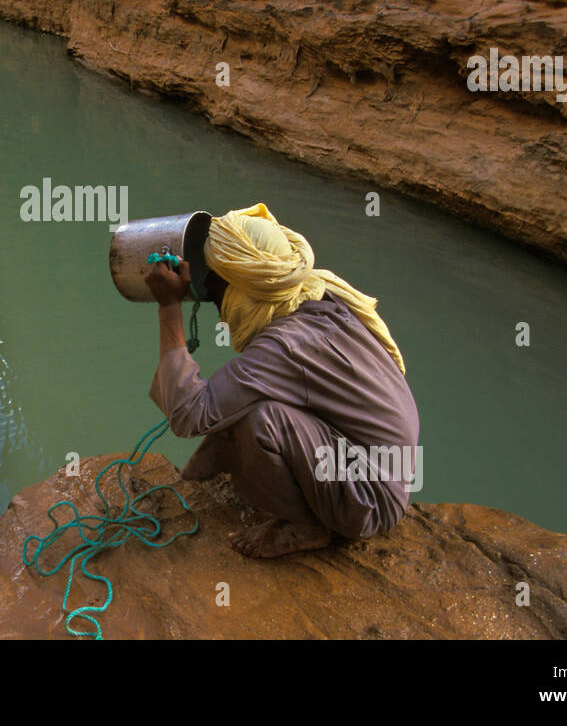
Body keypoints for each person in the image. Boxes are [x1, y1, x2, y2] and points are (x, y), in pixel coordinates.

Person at [144, 202, 420, 558]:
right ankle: (291, 490)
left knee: (260, 417)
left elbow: (188, 414)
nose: (211, 297)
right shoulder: (319, 291)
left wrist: (169, 308)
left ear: (244, 283)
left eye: (214, 283)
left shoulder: (288, 343)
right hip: (377, 470)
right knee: (240, 397)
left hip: (369, 499)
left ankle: (305, 525)